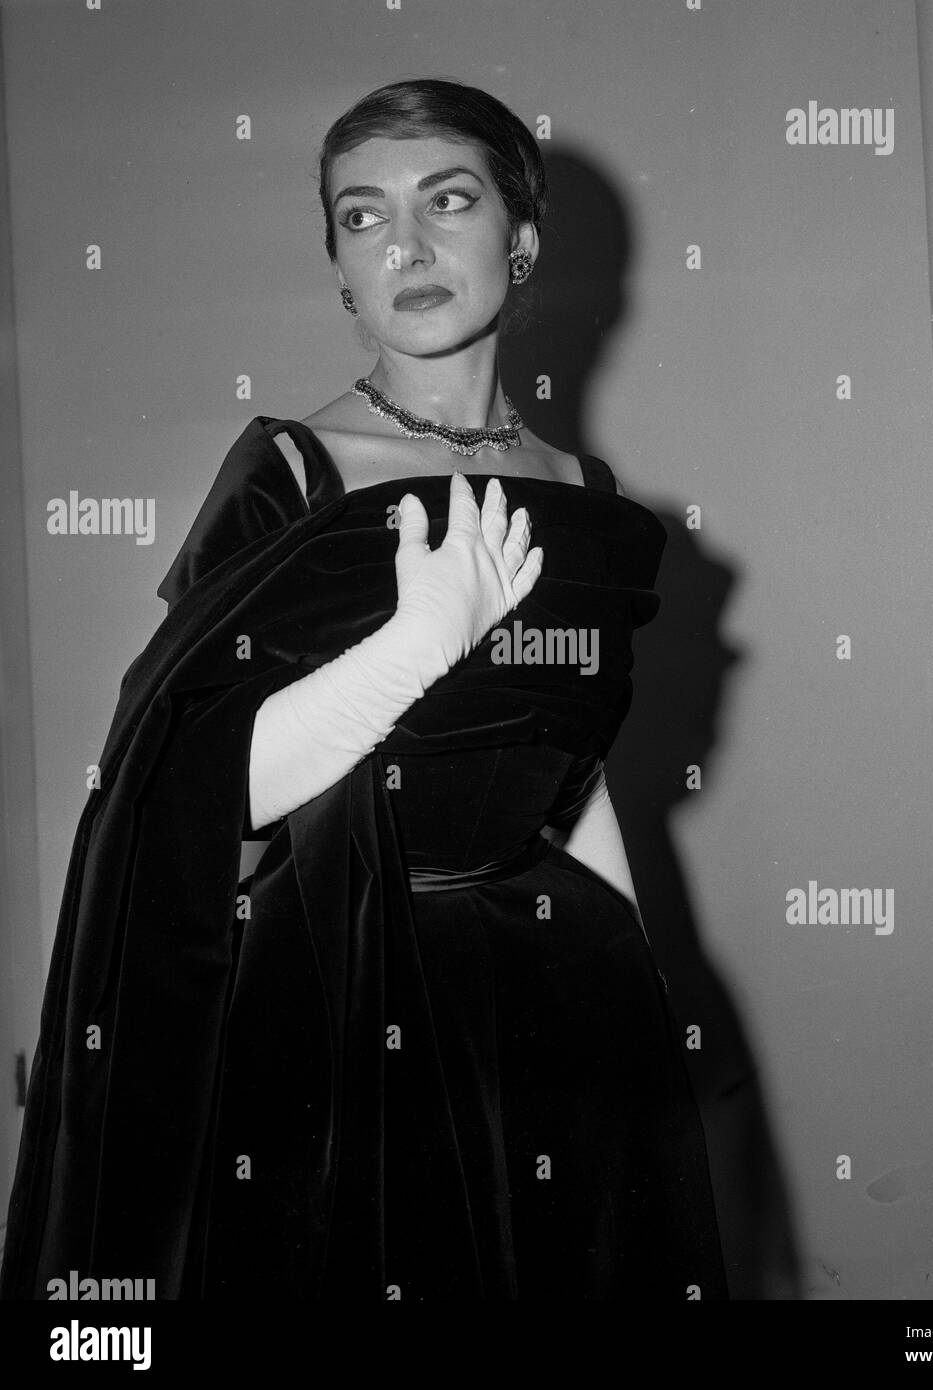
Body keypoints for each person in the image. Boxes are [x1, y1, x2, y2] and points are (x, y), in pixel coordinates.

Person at [0, 78, 728, 1301]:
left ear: (523, 235)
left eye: (449, 201)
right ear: (339, 264)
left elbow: (568, 763)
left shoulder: (586, 493)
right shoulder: (294, 469)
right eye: (361, 216)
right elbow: (192, 788)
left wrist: (636, 964)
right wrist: (417, 644)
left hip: (559, 981)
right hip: (339, 986)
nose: (407, 245)